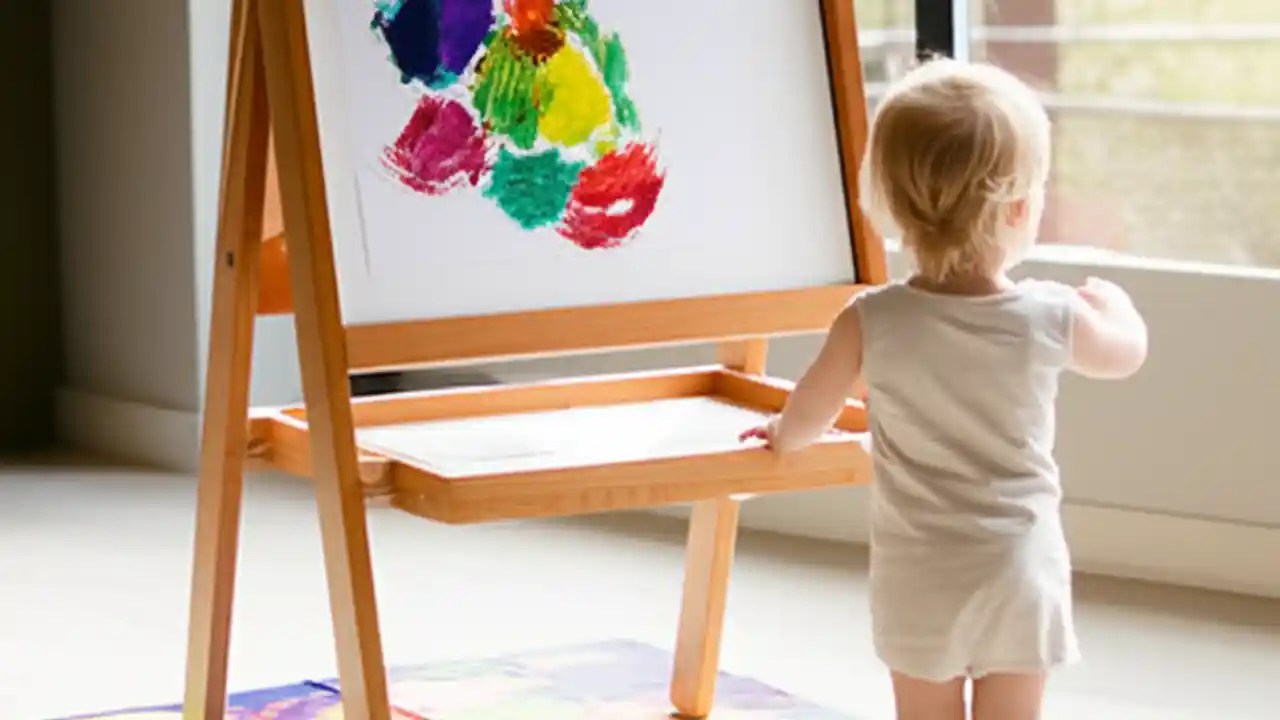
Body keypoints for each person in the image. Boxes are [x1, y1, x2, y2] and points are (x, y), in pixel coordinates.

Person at [740, 58, 1148, 720]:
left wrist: (782, 436)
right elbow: (1123, 356)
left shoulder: (872, 319)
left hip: (917, 575)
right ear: (1020, 209)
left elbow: (810, 409)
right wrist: (1117, 306)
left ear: (893, 203)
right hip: (1019, 568)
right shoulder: (1047, 316)